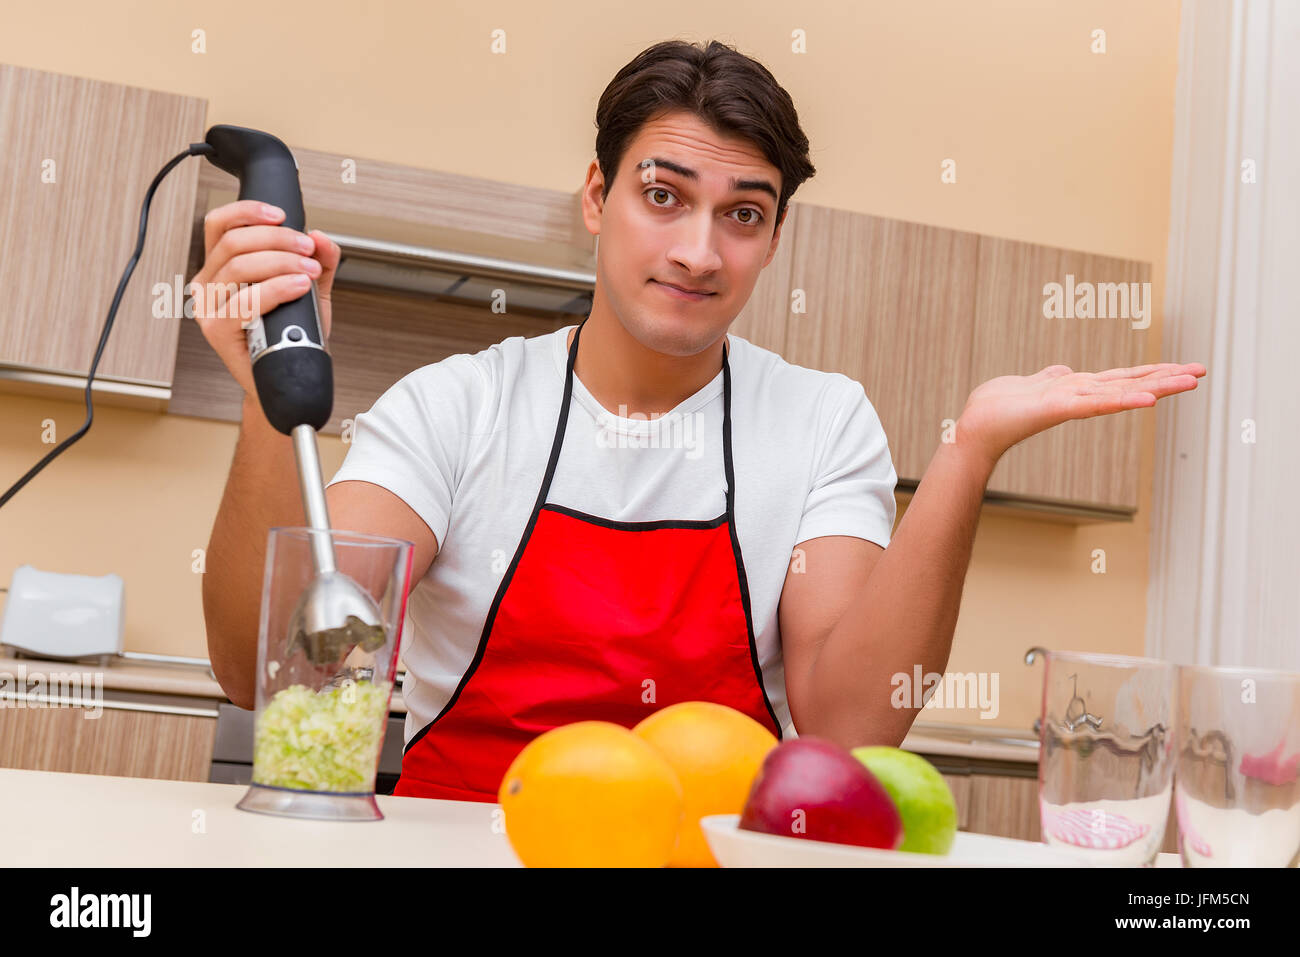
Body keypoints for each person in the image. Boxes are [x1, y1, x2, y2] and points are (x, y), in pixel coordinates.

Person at [193, 39, 1205, 803]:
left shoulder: (819, 422)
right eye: (663, 195)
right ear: (597, 197)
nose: (699, 250)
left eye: (743, 213)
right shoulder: (458, 406)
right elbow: (273, 669)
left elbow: (850, 726)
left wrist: (966, 452)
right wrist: (256, 397)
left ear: (772, 239)